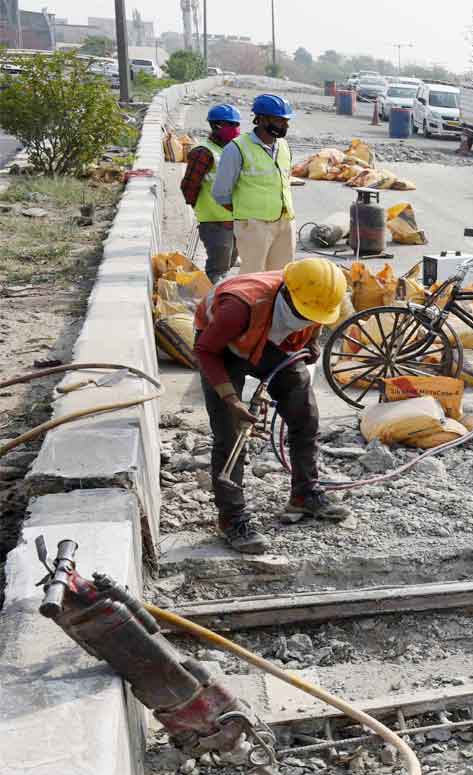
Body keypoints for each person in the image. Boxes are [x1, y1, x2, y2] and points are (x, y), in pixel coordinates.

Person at [193, 259, 352, 554]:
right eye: (303, 314)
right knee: (230, 436)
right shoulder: (240, 308)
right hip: (223, 346)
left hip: (273, 345)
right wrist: (232, 399)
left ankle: (305, 493)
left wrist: (313, 341)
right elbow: (205, 351)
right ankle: (232, 519)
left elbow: (319, 319)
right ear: (288, 295)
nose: (307, 319)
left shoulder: (319, 295)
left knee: (305, 416)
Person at [211, 94, 296, 275]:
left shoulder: (284, 146)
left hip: (284, 221)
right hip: (254, 226)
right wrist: (247, 215)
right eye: (280, 121)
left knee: (281, 276)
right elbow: (221, 193)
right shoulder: (236, 148)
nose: (285, 126)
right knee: (253, 276)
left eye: (286, 121)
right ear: (262, 119)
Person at [181, 104, 242, 284]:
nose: (235, 129)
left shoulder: (232, 150)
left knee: (230, 261)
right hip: (215, 221)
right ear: (216, 126)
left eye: (237, 124)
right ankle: (211, 305)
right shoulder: (203, 152)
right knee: (218, 269)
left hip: (235, 218)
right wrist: (202, 209)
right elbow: (189, 185)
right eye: (230, 125)